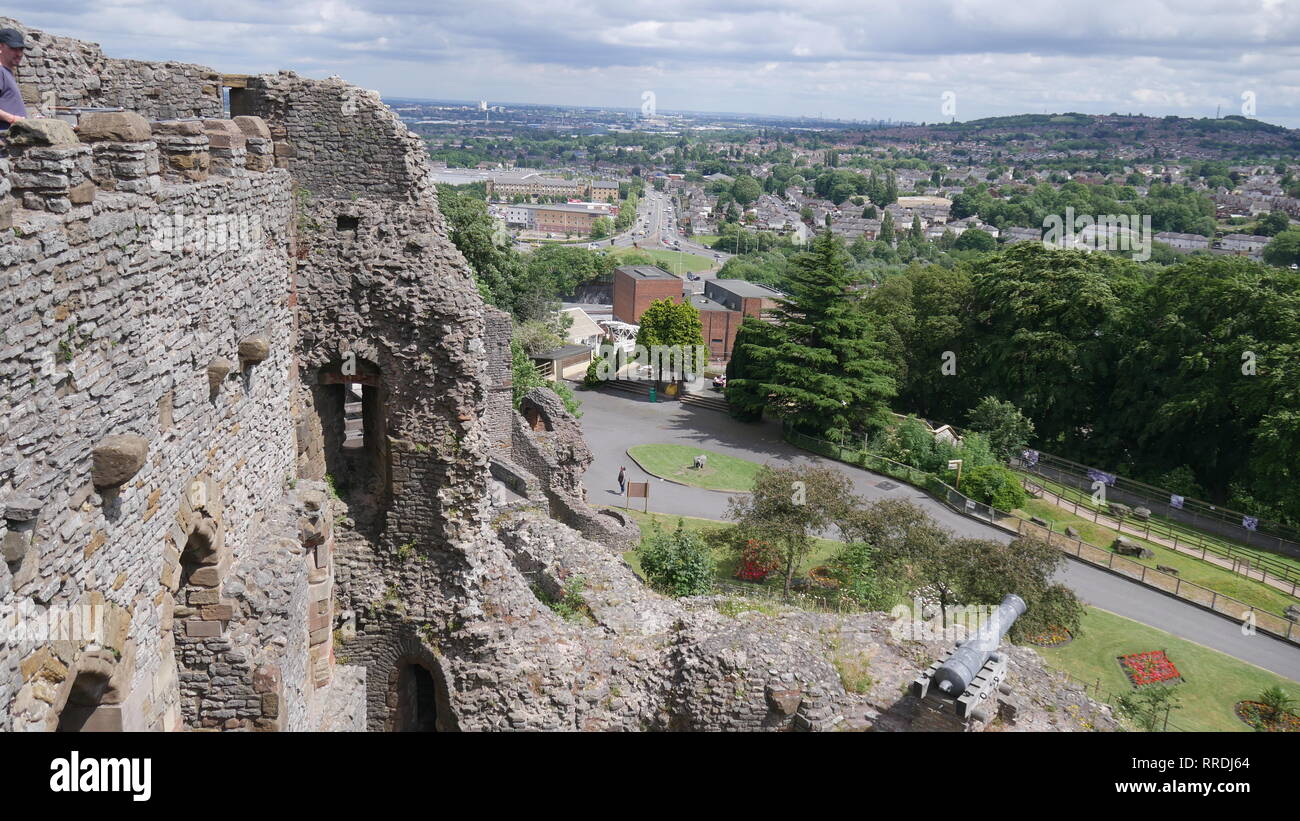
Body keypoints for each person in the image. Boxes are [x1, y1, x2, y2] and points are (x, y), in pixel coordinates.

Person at [0, 28, 28, 132]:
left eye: (21, 49)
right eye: (13, 48)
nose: (19, 54)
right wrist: (13, 119)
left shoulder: (7, 72)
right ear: (0, 47)